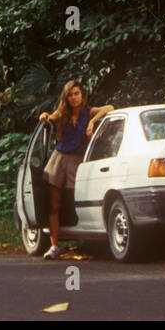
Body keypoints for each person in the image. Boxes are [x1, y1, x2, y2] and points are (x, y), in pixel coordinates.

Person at [37, 80, 113, 260]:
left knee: (75, 200)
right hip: (59, 158)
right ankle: (55, 246)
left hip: (78, 161)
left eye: (77, 94)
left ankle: (86, 238)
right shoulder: (62, 113)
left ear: (82, 96)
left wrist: (93, 122)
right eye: (70, 95)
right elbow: (49, 118)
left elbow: (109, 107)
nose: (74, 98)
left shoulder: (88, 112)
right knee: (54, 204)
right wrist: (44, 116)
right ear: (66, 97)